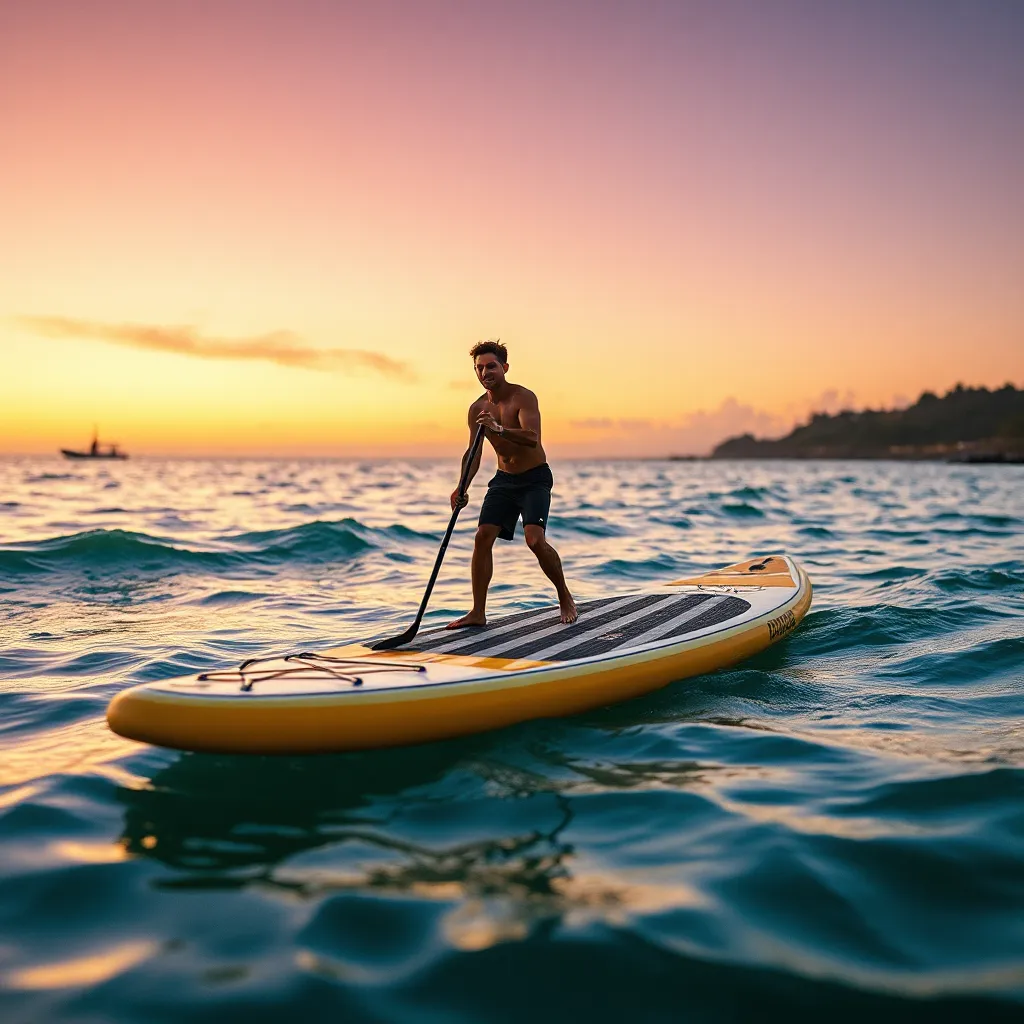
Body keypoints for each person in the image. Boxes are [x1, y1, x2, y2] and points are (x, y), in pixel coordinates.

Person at [446, 340, 578, 628]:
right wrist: (461, 487)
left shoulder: (523, 397)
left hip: (534, 478)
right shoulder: (477, 409)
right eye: (479, 368)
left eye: (491, 366)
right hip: (504, 481)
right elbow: (474, 452)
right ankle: (478, 612)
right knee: (482, 537)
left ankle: (565, 596)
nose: (485, 372)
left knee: (534, 540)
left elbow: (532, 437)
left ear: (504, 367)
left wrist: (499, 429)